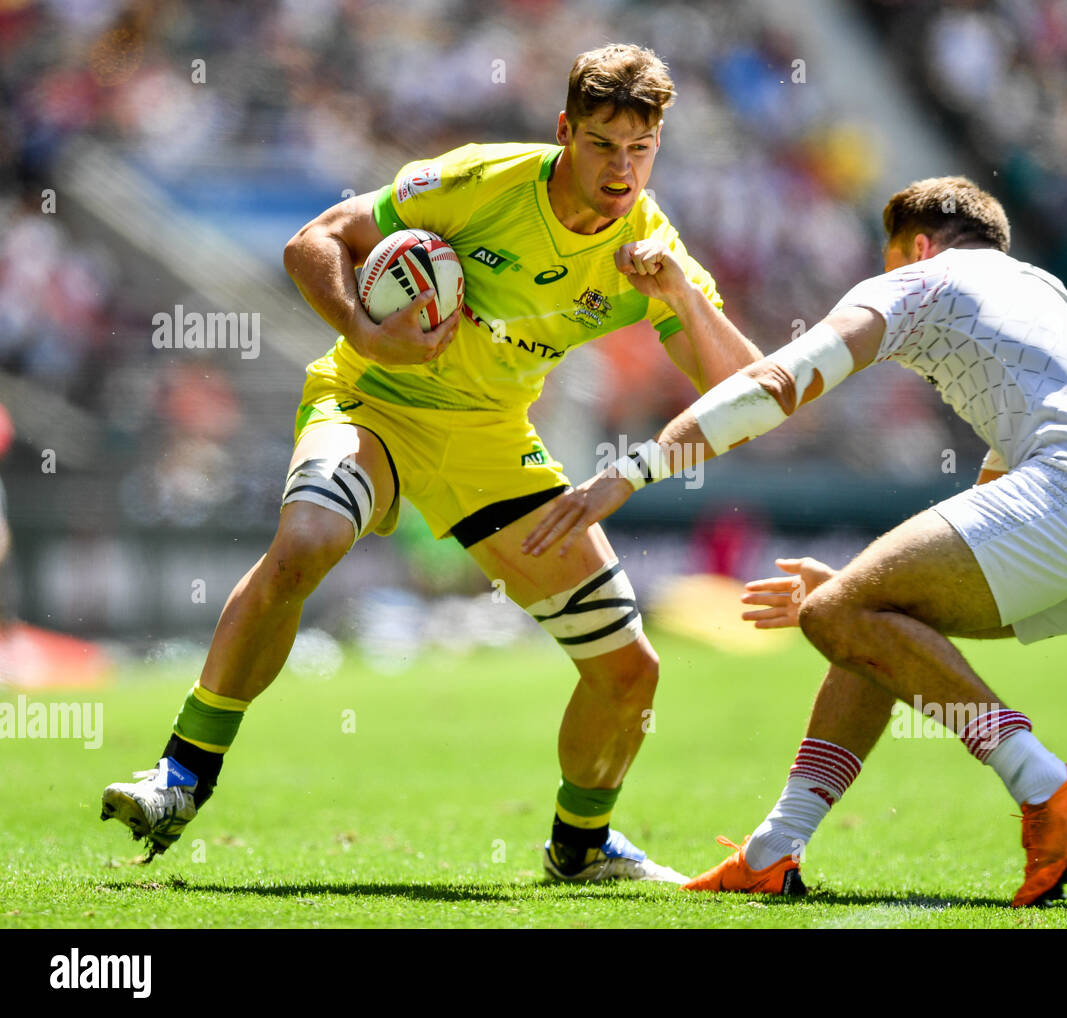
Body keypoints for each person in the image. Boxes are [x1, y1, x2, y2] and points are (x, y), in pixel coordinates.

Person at [101, 44, 762, 883]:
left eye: (639, 148)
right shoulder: (485, 179)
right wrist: (364, 329)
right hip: (373, 400)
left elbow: (748, 391)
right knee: (307, 539)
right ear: (566, 131)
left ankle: (580, 847)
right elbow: (318, 240)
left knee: (629, 671)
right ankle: (181, 775)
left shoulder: (650, 248)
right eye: (601, 143)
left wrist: (679, 297)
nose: (619, 169)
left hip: (489, 440)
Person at [522, 176, 1067, 905]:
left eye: (889, 255)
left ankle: (1046, 786)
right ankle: (776, 848)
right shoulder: (1045, 298)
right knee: (869, 618)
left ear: (919, 246)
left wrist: (632, 470)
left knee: (842, 613)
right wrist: (858, 586)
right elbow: (996, 497)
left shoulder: (920, 282)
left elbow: (776, 382)